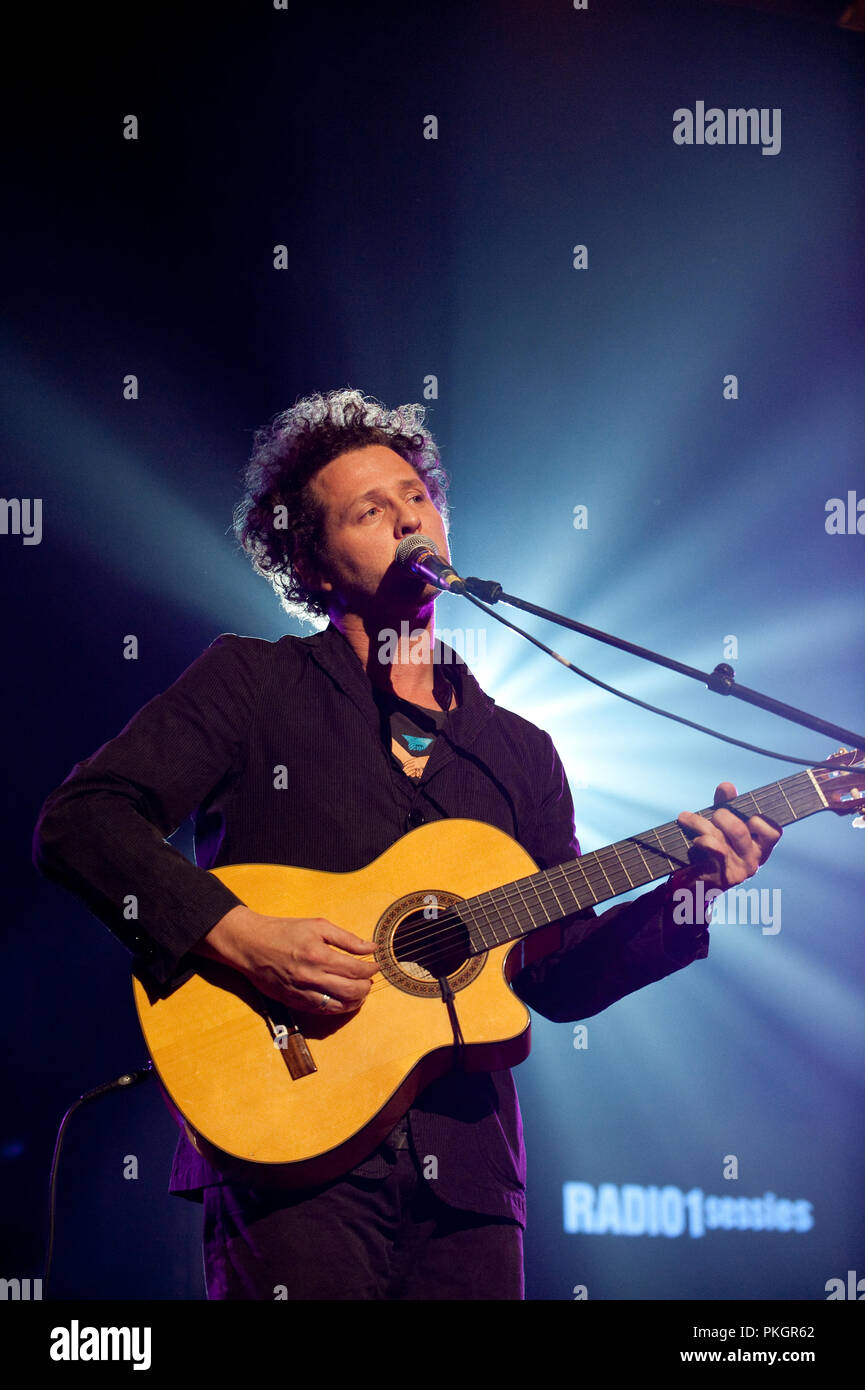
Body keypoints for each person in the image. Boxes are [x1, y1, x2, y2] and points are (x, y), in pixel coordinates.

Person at [33, 388, 781, 1300]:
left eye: (416, 496)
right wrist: (241, 935)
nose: (407, 518)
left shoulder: (517, 753)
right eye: (368, 511)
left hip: (469, 1177)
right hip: (288, 1148)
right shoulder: (253, 685)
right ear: (310, 566)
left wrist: (691, 891)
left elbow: (563, 977)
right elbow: (82, 823)